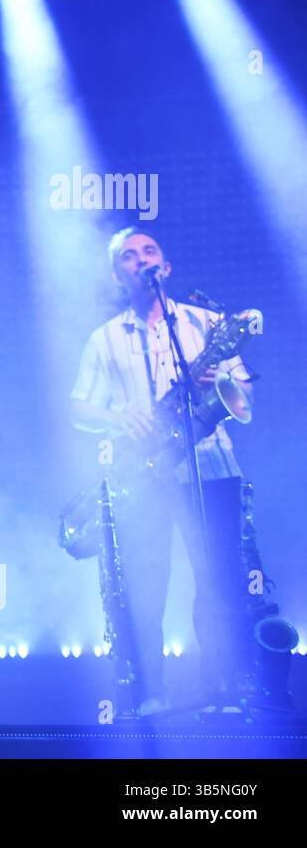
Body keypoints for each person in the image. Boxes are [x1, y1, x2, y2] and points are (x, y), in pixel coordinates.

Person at [70, 228, 253, 716]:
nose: (141, 260)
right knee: (148, 587)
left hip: (210, 466)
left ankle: (224, 690)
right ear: (117, 275)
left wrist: (224, 379)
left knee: (219, 579)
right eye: (129, 257)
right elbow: (77, 408)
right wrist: (116, 418)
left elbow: (244, 400)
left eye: (150, 252)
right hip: (145, 476)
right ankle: (151, 694)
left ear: (166, 267)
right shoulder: (104, 339)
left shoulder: (208, 324)